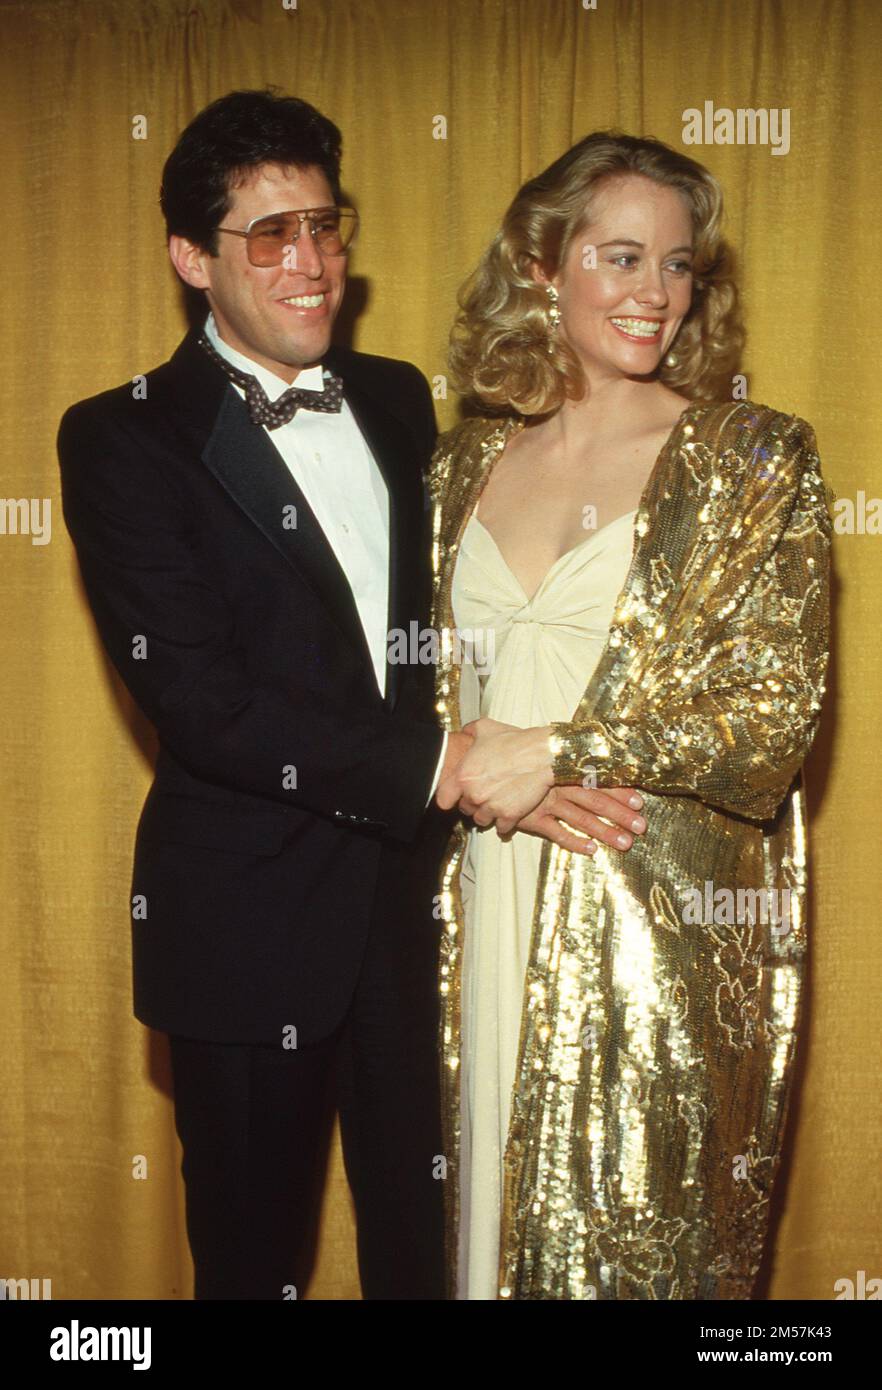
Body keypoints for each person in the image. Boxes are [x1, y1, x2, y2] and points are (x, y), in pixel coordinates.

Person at [431, 131, 833, 1300]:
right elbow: (402, 698)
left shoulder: (753, 458)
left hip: (648, 912)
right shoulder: (459, 467)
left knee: (632, 1254)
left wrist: (562, 748)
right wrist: (462, 767)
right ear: (544, 266)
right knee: (472, 1232)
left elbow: (773, 709)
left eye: (678, 263)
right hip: (472, 896)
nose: (656, 293)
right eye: (621, 257)